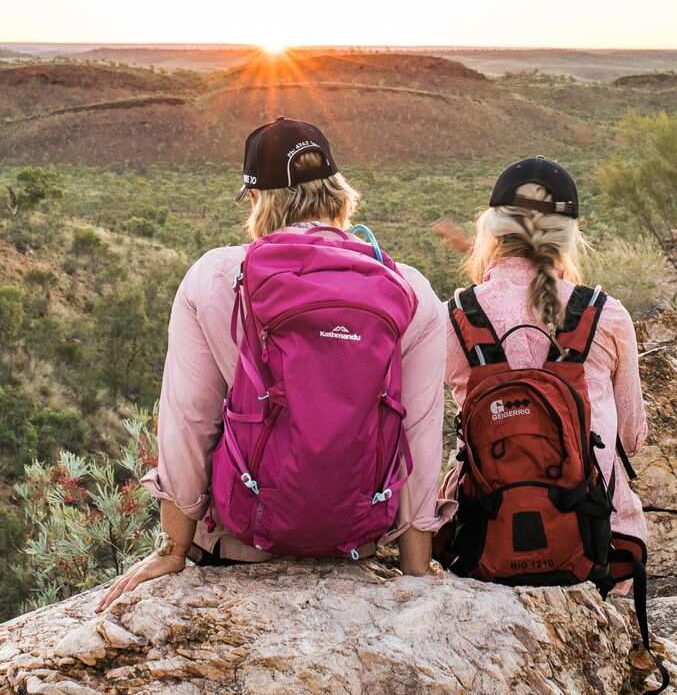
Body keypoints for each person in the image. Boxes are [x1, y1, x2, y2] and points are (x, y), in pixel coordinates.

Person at [101, 117, 448, 608]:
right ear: (339, 193)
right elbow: (420, 435)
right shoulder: (409, 289)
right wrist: (415, 570)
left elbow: (188, 420)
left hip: (241, 545)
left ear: (257, 200)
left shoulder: (217, 275)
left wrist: (174, 548)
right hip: (356, 543)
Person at [439, 156, 649, 587]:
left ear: (493, 228)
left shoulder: (455, 317)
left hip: (480, 540)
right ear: (567, 234)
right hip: (598, 543)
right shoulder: (605, 315)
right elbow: (631, 437)